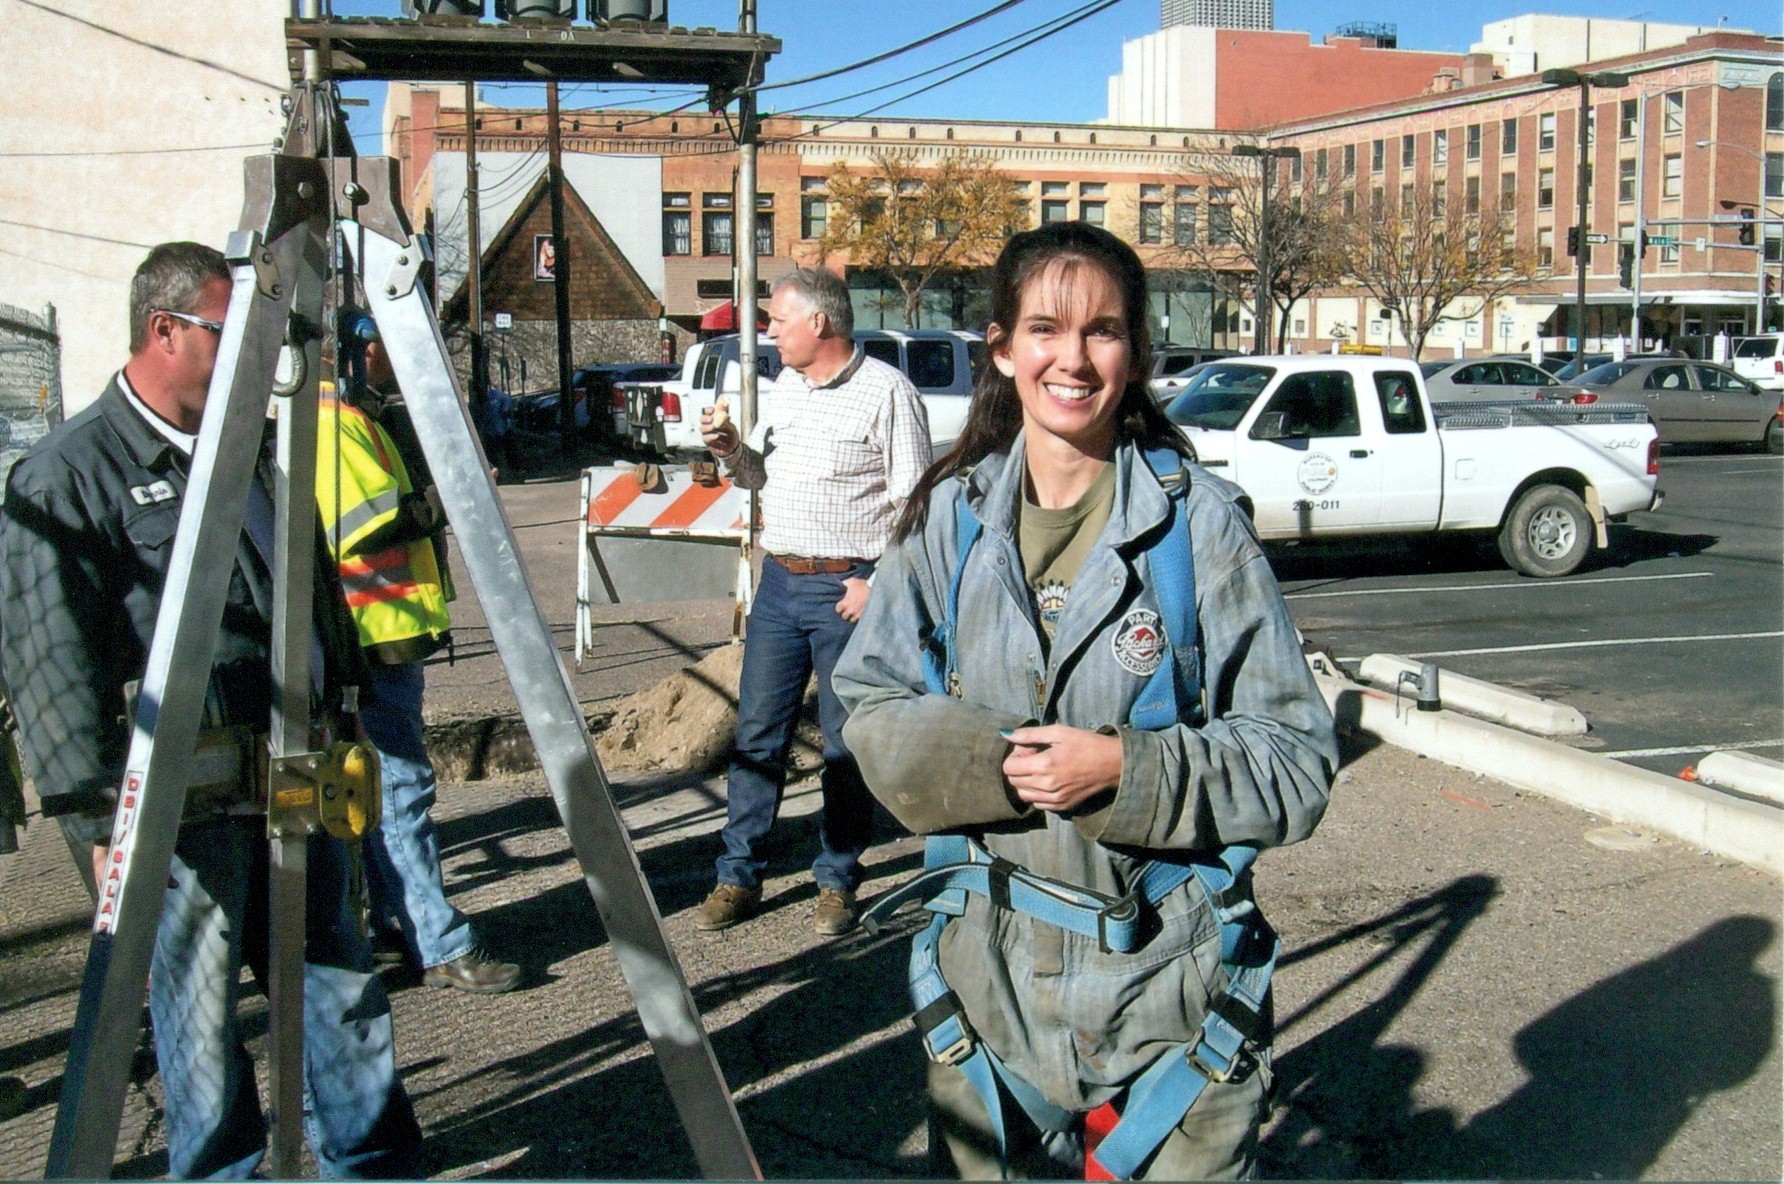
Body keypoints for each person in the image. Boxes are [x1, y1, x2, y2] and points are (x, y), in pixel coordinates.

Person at [833, 222, 1337, 1179]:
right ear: (1003, 349)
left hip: (1176, 999)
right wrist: (996, 766)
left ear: (1138, 354)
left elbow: (1297, 763)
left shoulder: (1201, 530)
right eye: (1045, 329)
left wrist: (1127, 772)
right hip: (988, 998)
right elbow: (870, 699)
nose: (1073, 357)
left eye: (1102, 331)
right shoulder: (952, 519)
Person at [0, 242, 420, 1178]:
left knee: (336, 979)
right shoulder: (70, 476)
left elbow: (307, 595)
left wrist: (345, 704)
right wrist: (93, 816)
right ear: (164, 331)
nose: (254, 362)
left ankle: (374, 1162)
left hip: (296, 770)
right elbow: (49, 662)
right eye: (233, 336)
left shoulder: (256, 452)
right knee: (192, 1009)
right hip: (176, 801)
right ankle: (222, 1173)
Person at [694, 267, 931, 937]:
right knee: (756, 735)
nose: (769, 331)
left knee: (843, 744)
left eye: (778, 320)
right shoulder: (784, 388)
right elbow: (758, 477)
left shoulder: (888, 393)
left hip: (846, 590)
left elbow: (917, 506)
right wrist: (731, 450)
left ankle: (836, 878)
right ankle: (737, 875)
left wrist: (876, 583)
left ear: (819, 325)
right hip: (781, 585)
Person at [322, 316, 521, 994]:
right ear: (357, 349)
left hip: (378, 631)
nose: (394, 358)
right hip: (372, 633)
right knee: (399, 789)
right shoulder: (335, 422)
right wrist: (450, 497)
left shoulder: (354, 415)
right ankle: (437, 944)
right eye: (384, 344)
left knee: (381, 793)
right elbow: (366, 525)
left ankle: (392, 926)